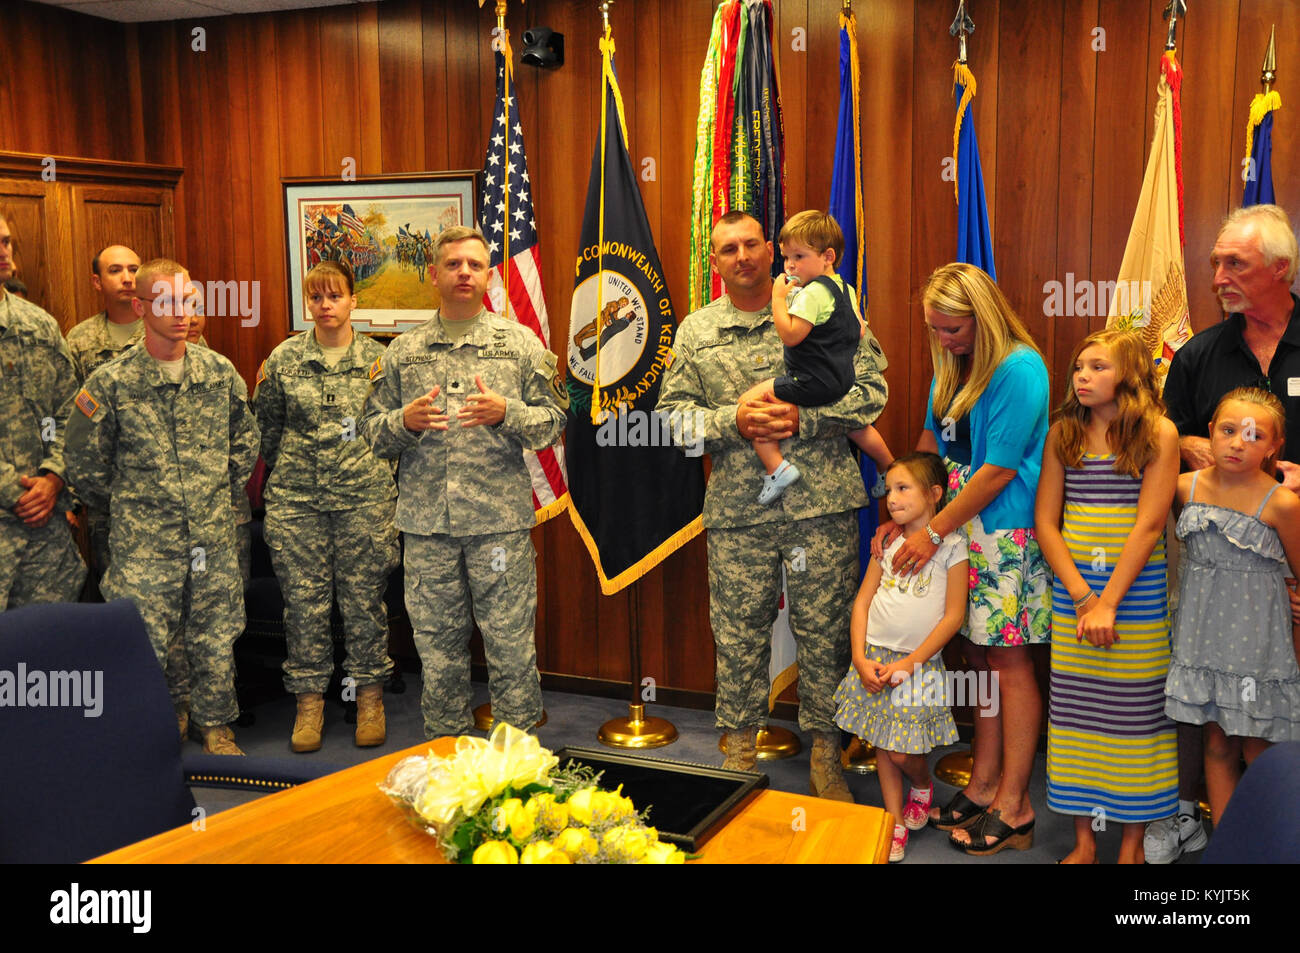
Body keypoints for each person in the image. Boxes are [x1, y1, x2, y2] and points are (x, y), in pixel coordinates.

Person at [656, 210, 890, 800]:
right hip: (740, 512)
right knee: (737, 634)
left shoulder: (831, 303)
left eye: (752, 244)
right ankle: (737, 750)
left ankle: (826, 756)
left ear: (772, 250)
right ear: (715, 262)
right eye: (728, 249)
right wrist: (732, 420)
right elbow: (670, 421)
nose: (742, 256)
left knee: (827, 633)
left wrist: (802, 417)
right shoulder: (696, 331)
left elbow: (872, 392)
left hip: (822, 507)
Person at [360, 226, 566, 739]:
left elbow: (555, 421)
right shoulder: (402, 353)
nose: (464, 273)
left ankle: (519, 766)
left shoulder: (518, 344)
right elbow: (369, 432)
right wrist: (401, 423)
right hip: (428, 530)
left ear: (490, 275)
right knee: (437, 647)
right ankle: (448, 763)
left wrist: (507, 412)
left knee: (511, 646)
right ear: (433, 274)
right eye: (453, 264)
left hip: (498, 527)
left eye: (474, 265)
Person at [877, 262, 1050, 854]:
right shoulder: (952, 366)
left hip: (1001, 531)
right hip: (951, 527)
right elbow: (931, 450)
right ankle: (981, 786)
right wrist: (903, 510)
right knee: (977, 654)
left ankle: (1017, 804)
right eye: (936, 330)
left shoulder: (1020, 367)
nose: (943, 341)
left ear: (984, 316)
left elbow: (998, 469)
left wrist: (932, 530)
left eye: (953, 329)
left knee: (1009, 663)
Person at [1150, 204, 1300, 862]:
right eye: (1214, 263)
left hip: (1288, 558)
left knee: (1277, 719)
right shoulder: (1198, 354)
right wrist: (1196, 448)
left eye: (1233, 263)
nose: (1217, 276)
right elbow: (1167, 432)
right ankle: (1216, 826)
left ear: (1281, 270)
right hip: (1217, 568)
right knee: (1213, 718)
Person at [65, 258, 259, 754]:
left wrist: (210, 493)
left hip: (212, 534)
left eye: (188, 301)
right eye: (167, 302)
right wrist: (135, 504)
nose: (180, 313)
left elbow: (246, 444)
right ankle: (163, 721)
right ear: (140, 306)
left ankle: (215, 724)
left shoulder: (219, 373)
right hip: (144, 541)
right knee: (149, 638)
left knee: (215, 631)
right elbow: (85, 464)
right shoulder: (110, 383)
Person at [1035, 328, 1180, 864]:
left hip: (1133, 596)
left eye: (1097, 367)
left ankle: (1133, 846)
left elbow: (1148, 526)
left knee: (1136, 719)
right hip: (1074, 593)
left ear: (1131, 374)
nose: (1082, 376)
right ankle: (1083, 841)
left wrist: (1109, 602)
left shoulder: (1159, 433)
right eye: (1079, 367)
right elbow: (1047, 523)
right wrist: (1081, 597)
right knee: (1077, 716)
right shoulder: (1063, 434)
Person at [254, 260, 398, 752]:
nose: (326, 305)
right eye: (316, 297)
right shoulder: (283, 360)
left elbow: (394, 431)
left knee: (364, 603)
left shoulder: (382, 362)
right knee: (305, 605)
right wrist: (299, 473)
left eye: (335, 296)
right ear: (307, 303)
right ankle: (309, 705)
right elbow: (266, 432)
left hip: (364, 499)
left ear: (354, 301)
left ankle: (369, 700)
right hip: (299, 503)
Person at [1165, 388, 1300, 823]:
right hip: (1203, 637)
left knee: (1260, 747)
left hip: (1260, 645)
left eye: (1254, 435)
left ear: (1274, 447)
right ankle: (1228, 845)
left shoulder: (1280, 503)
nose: (1238, 443)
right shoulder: (1183, 487)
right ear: (1210, 433)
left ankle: (1269, 843)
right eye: (1228, 431)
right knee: (1217, 742)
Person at [832, 452, 966, 861]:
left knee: (901, 751)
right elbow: (862, 602)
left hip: (917, 665)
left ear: (934, 494)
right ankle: (892, 820)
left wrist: (912, 663)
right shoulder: (886, 541)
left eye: (903, 488)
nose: (891, 498)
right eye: (889, 489)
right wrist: (858, 656)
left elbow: (954, 616)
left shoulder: (953, 547)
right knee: (881, 744)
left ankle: (922, 786)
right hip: (874, 656)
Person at [736, 211, 893, 504]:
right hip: (842, 380)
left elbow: (791, 335)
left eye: (799, 256)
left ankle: (777, 467)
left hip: (811, 381)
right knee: (857, 425)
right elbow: (859, 330)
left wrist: (779, 300)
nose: (790, 265)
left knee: (752, 404)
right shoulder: (845, 288)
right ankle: (888, 465)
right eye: (786, 258)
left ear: (828, 256)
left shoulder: (811, 294)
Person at [0, 212, 86, 610]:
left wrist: (53, 478)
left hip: (43, 535)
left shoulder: (40, 326)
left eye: (5, 241)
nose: (3, 251)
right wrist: (11, 491)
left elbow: (72, 411)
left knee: (50, 655)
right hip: (14, 510)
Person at [65, 245, 143, 382]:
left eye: (134, 270)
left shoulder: (165, 330)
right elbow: (72, 400)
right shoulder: (79, 339)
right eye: (115, 271)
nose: (127, 279)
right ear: (97, 282)